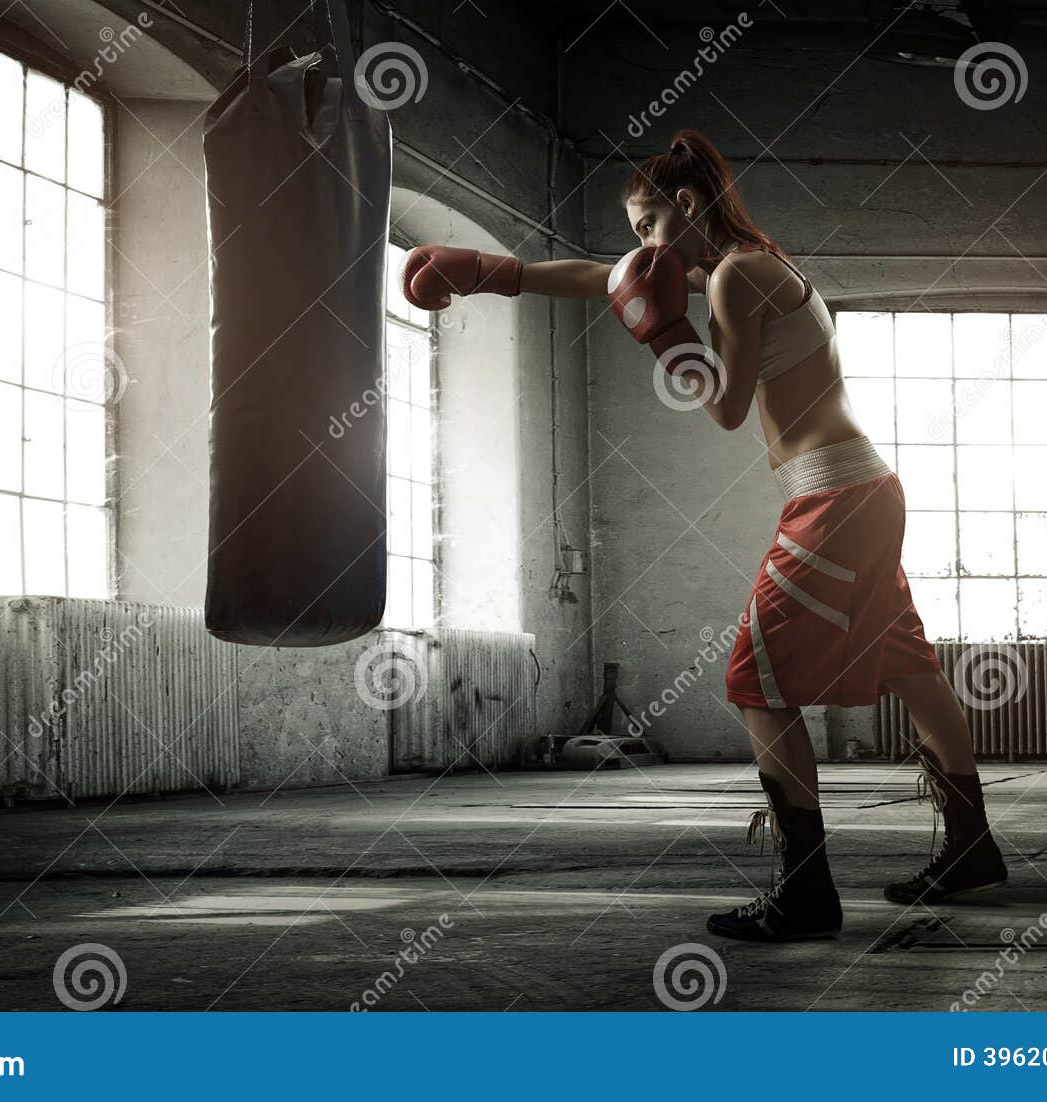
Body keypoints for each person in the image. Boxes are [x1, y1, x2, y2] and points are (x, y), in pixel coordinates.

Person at [399, 129, 1007, 945]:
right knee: (906, 662)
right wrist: (493, 274)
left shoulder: (736, 277)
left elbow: (723, 408)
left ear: (687, 205)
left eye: (649, 225)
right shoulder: (761, 262)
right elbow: (605, 275)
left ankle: (805, 892)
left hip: (832, 495)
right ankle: (971, 848)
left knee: (756, 677)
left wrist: (666, 338)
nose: (642, 247)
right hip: (859, 487)